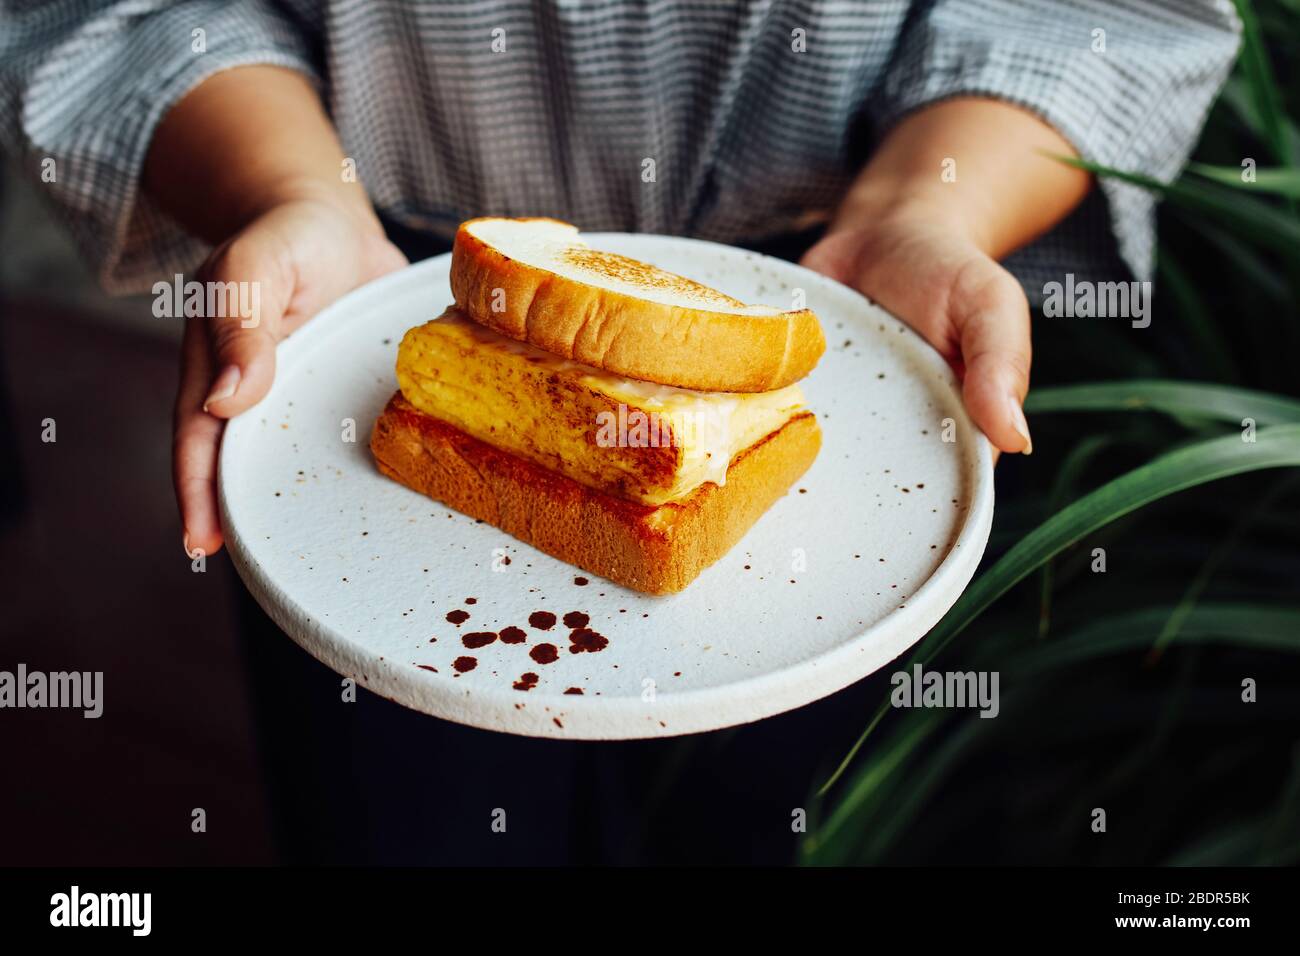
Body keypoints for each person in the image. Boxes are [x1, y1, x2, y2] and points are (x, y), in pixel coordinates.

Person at [1, 1, 1241, 863]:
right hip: (373, 274)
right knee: (406, 834)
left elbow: (1094, 15)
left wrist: (928, 207)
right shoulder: (380, 357)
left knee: (790, 824)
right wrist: (283, 195)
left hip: (852, 303)